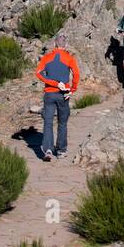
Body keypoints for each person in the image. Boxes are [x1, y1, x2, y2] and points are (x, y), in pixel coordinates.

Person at [35, 31, 80, 160]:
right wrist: (72, 89)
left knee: (48, 122)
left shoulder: (46, 57)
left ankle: (48, 150)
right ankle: (61, 150)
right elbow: (76, 75)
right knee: (62, 122)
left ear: (55, 44)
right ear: (65, 46)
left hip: (49, 94)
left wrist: (53, 83)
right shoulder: (69, 58)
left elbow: (38, 73)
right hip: (63, 94)